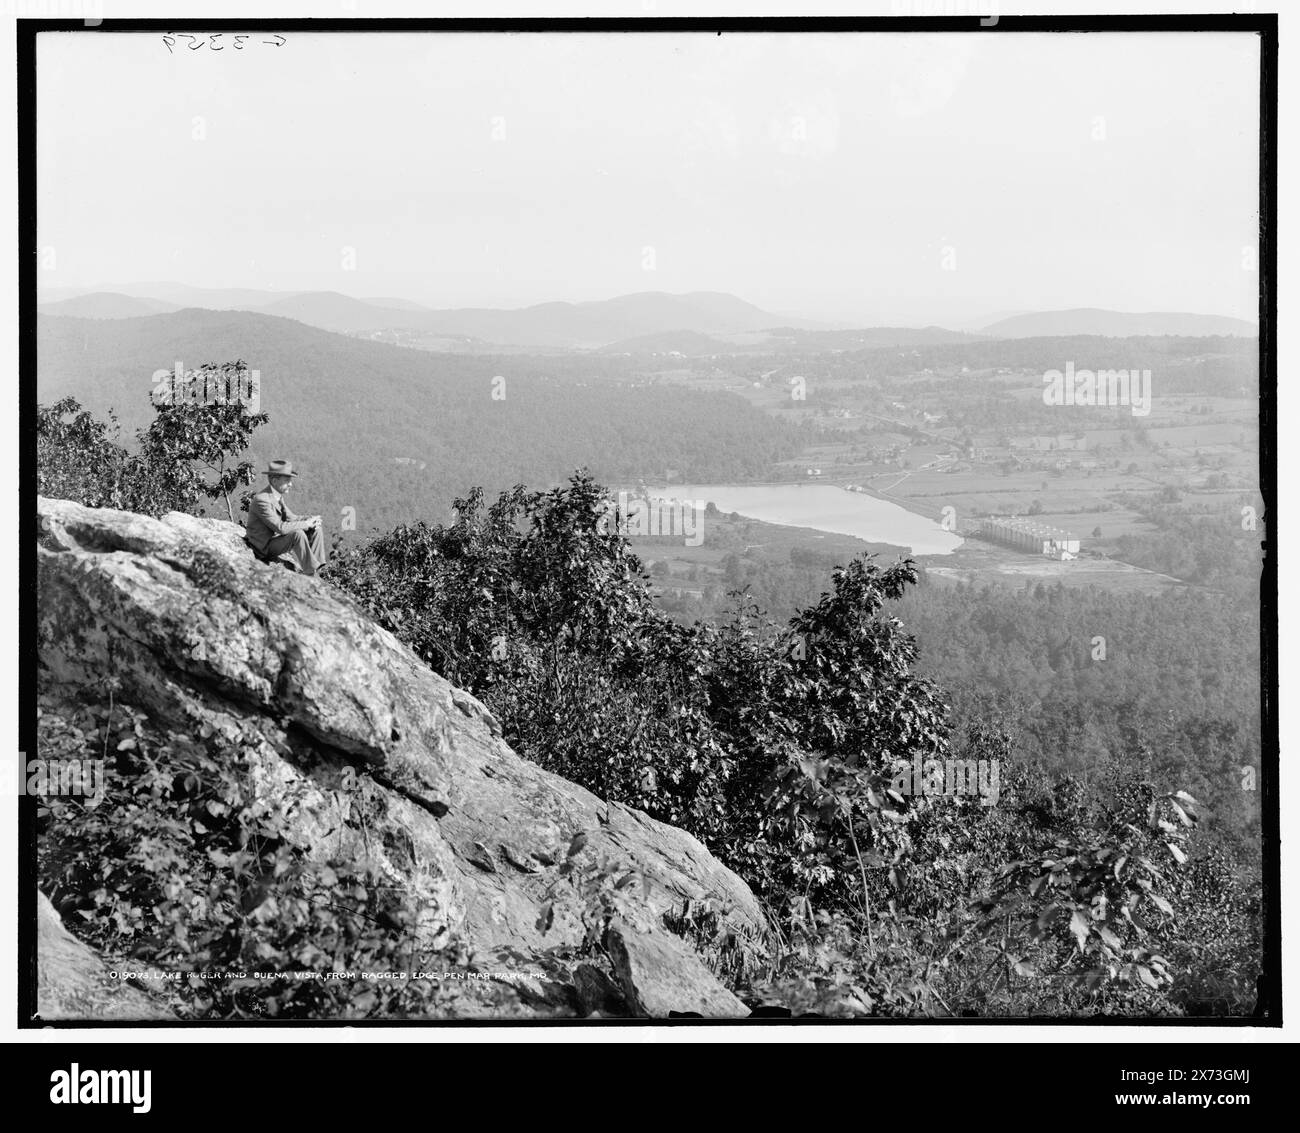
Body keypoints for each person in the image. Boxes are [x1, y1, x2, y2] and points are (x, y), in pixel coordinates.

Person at [244, 460, 327, 576]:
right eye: (287, 480)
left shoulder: (276, 497)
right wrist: (306, 524)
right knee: (297, 534)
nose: (291, 484)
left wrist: (311, 520)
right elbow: (280, 528)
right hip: (261, 548)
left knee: (315, 528)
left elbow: (291, 518)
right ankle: (311, 573)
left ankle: (318, 568)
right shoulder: (262, 500)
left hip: (273, 541)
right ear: (274, 480)